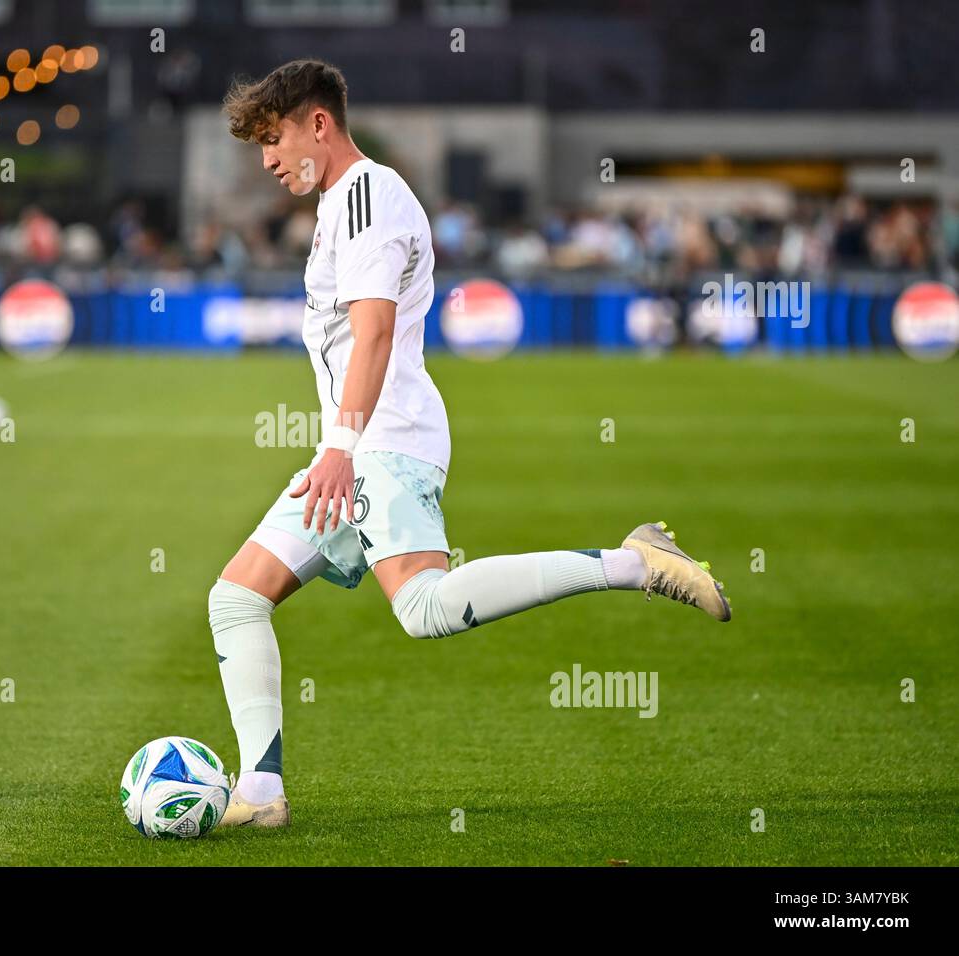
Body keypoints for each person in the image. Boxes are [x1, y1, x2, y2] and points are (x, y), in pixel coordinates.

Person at [210, 59, 731, 829]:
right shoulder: (341, 204)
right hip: (358, 446)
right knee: (237, 598)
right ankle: (260, 794)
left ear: (318, 123)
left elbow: (375, 328)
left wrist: (342, 447)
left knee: (423, 608)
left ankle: (635, 561)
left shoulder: (364, 195)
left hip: (380, 445)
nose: (267, 158)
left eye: (273, 137)